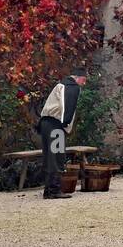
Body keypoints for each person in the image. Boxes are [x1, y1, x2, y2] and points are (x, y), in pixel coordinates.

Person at [39, 70, 86, 199]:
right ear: (77, 78)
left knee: (51, 156)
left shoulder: (61, 85)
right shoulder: (71, 87)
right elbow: (67, 105)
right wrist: (65, 123)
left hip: (48, 123)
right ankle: (54, 190)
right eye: (83, 79)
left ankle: (49, 190)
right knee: (56, 156)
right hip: (56, 125)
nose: (84, 83)